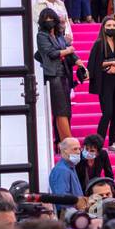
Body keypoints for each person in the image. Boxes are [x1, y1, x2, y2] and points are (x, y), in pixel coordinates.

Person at [86, 16, 115, 153]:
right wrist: (112, 63)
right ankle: (99, 142)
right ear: (103, 27)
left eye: (113, 26)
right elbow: (93, 64)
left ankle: (113, 142)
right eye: (108, 26)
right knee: (107, 112)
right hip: (105, 81)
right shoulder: (99, 44)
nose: (111, 28)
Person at [37, 7, 78, 140]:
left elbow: (69, 53)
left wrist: (79, 62)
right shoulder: (42, 36)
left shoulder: (60, 36)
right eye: (46, 20)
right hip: (53, 76)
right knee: (61, 110)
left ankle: (63, 141)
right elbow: (51, 53)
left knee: (66, 109)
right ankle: (68, 141)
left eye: (51, 19)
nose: (49, 21)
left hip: (64, 74)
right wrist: (67, 51)